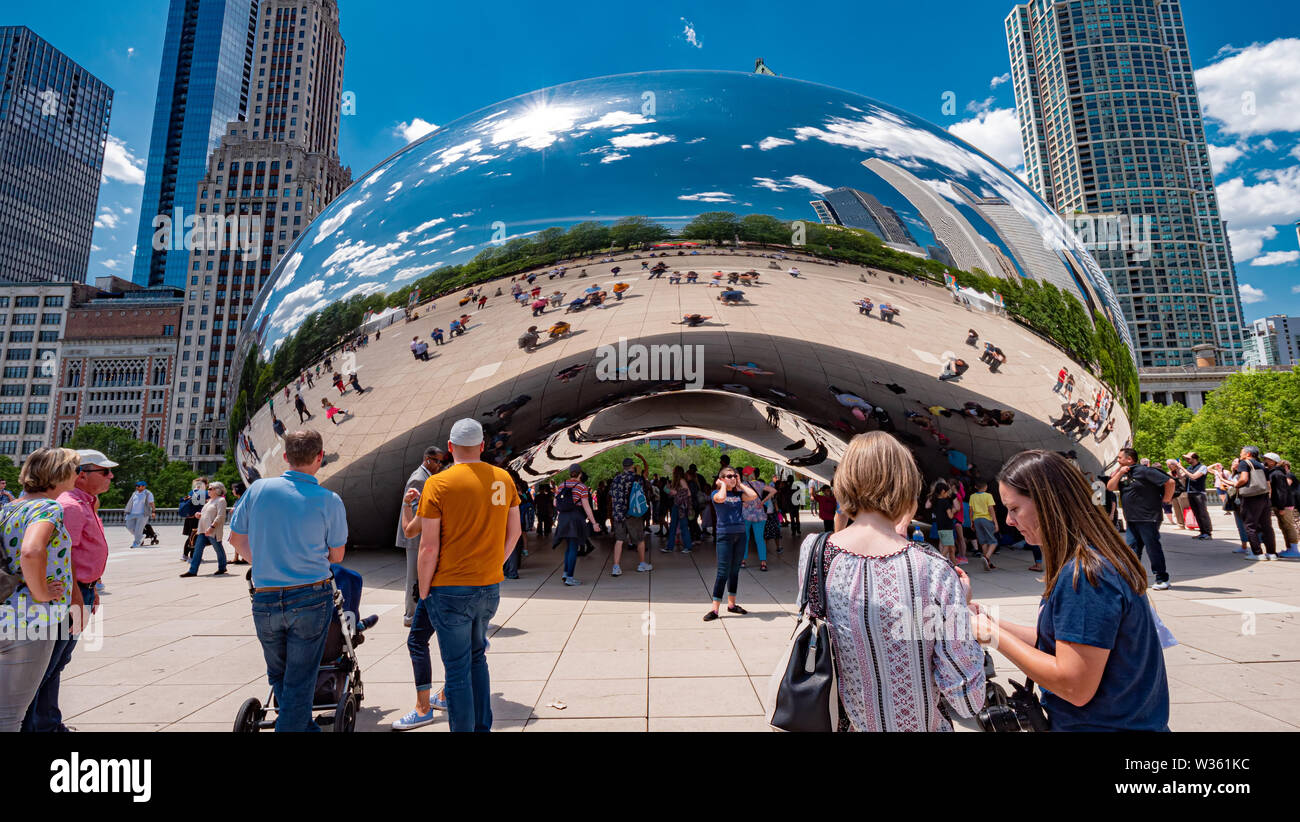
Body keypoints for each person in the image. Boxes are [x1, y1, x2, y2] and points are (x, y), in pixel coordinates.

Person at [797, 432, 985, 731]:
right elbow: (967, 698)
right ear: (906, 483)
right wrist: (958, 605)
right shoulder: (932, 569)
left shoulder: (815, 551)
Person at [972, 450, 1170, 731]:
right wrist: (988, 621)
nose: (1009, 521)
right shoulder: (1094, 561)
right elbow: (1065, 644)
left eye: (1014, 508)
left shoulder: (1087, 575)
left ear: (1047, 503)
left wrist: (993, 636)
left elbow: (1074, 686)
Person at [401, 418, 520, 733]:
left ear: (450, 448)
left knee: (456, 672)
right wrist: (496, 563)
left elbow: (427, 547)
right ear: (482, 446)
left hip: (449, 589)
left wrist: (424, 591)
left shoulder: (438, 483)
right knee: (477, 659)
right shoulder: (502, 479)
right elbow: (515, 530)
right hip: (488, 586)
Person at [228, 429, 348, 732]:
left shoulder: (258, 490)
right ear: (319, 458)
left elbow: (235, 538)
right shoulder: (329, 500)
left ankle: (304, 726)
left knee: (280, 675)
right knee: (301, 677)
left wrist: (267, 562)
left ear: (285, 457)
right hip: (310, 597)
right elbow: (337, 556)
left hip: (266, 597)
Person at [0, 448, 80, 732]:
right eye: (74, 470)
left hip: (4, 613)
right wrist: (42, 592)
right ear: (59, 474)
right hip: (32, 621)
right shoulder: (47, 508)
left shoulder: (8, 509)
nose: (77, 476)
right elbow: (32, 550)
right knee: (9, 718)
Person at [1106, 448, 1175, 589]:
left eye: (1120, 458)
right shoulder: (1123, 473)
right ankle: (1131, 577)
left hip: (1148, 518)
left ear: (1129, 459)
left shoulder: (1144, 471)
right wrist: (1119, 472)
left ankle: (1162, 578)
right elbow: (1110, 487)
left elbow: (1170, 482)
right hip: (1131, 519)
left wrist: (1166, 500)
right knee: (1132, 550)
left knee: (1152, 548)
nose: (1117, 460)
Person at [397, 448, 447, 628]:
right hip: (415, 538)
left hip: (419, 536)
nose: (439, 466)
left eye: (441, 462)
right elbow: (417, 511)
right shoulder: (419, 479)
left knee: (421, 577)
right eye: (437, 462)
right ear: (427, 460)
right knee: (414, 578)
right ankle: (410, 616)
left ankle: (418, 614)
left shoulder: (426, 477)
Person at [704, 466, 758, 621]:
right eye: (729, 476)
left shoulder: (739, 493)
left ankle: (732, 605)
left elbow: (753, 496)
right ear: (721, 479)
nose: (733, 478)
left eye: (735, 475)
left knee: (735, 570)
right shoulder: (716, 493)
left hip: (740, 534)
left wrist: (740, 484)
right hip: (724, 535)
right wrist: (722, 486)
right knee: (723, 572)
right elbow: (720, 499)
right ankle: (715, 610)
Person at [553, 465, 601, 585]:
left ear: (570, 473)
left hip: (563, 518)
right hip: (575, 518)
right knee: (574, 547)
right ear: (580, 474)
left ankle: (565, 573)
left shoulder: (561, 485)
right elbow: (586, 506)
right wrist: (594, 523)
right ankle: (570, 577)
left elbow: (555, 502)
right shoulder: (582, 487)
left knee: (568, 547)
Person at [608, 456, 652, 576]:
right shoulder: (636, 478)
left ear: (623, 467)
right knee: (639, 539)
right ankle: (642, 564)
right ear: (632, 466)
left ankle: (616, 567)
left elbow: (612, 495)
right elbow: (644, 489)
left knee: (619, 540)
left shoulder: (616, 478)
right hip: (633, 513)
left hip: (618, 514)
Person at [181, 481, 229, 578]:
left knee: (218, 549)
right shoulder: (209, 501)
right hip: (202, 529)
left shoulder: (221, 501)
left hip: (212, 530)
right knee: (197, 550)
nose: (208, 491)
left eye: (210, 489)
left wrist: (212, 527)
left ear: (217, 490)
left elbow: (220, 516)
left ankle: (222, 567)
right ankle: (192, 570)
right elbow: (206, 514)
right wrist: (198, 515)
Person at [1261, 453, 1300, 556]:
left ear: (1273, 461)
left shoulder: (1277, 474)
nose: (1264, 461)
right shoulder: (1275, 472)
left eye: (1266, 459)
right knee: (1284, 527)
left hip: (1284, 505)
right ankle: (1290, 548)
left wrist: (1281, 507)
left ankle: (1294, 550)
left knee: (1288, 526)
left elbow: (1281, 491)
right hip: (1282, 504)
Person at [739, 467, 775, 572]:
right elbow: (773, 491)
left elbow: (734, 495)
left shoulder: (743, 485)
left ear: (744, 475)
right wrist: (763, 502)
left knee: (745, 538)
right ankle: (763, 563)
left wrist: (742, 502)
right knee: (760, 539)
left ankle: (743, 561)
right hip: (759, 515)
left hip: (746, 515)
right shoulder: (760, 484)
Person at [661, 466, 694, 554]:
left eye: (674, 470)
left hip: (682, 507)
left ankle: (688, 546)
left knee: (683, 526)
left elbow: (688, 493)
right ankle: (670, 546)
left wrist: (674, 492)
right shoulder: (676, 482)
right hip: (676, 505)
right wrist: (668, 489)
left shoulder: (681, 481)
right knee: (672, 526)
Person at [927, 480, 960, 563]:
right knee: (947, 547)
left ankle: (955, 566)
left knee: (951, 548)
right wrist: (953, 510)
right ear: (942, 492)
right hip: (947, 528)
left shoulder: (935, 502)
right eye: (946, 492)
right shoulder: (945, 502)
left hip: (940, 527)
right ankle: (938, 562)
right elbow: (950, 516)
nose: (948, 494)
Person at [969, 480, 998, 570]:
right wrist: (995, 522)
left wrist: (971, 521)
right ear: (986, 487)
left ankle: (987, 563)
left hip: (977, 520)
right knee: (993, 541)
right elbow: (991, 509)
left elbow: (970, 510)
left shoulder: (972, 496)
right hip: (986, 519)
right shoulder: (988, 496)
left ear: (976, 487)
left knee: (983, 541)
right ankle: (986, 557)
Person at [123, 479, 155, 549]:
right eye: (136, 486)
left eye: (138, 486)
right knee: (129, 527)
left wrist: (153, 512)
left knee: (138, 529)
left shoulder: (148, 493)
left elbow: (151, 503)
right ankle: (141, 536)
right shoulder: (134, 493)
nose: (136, 487)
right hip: (131, 513)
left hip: (142, 514)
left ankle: (136, 543)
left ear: (143, 487)